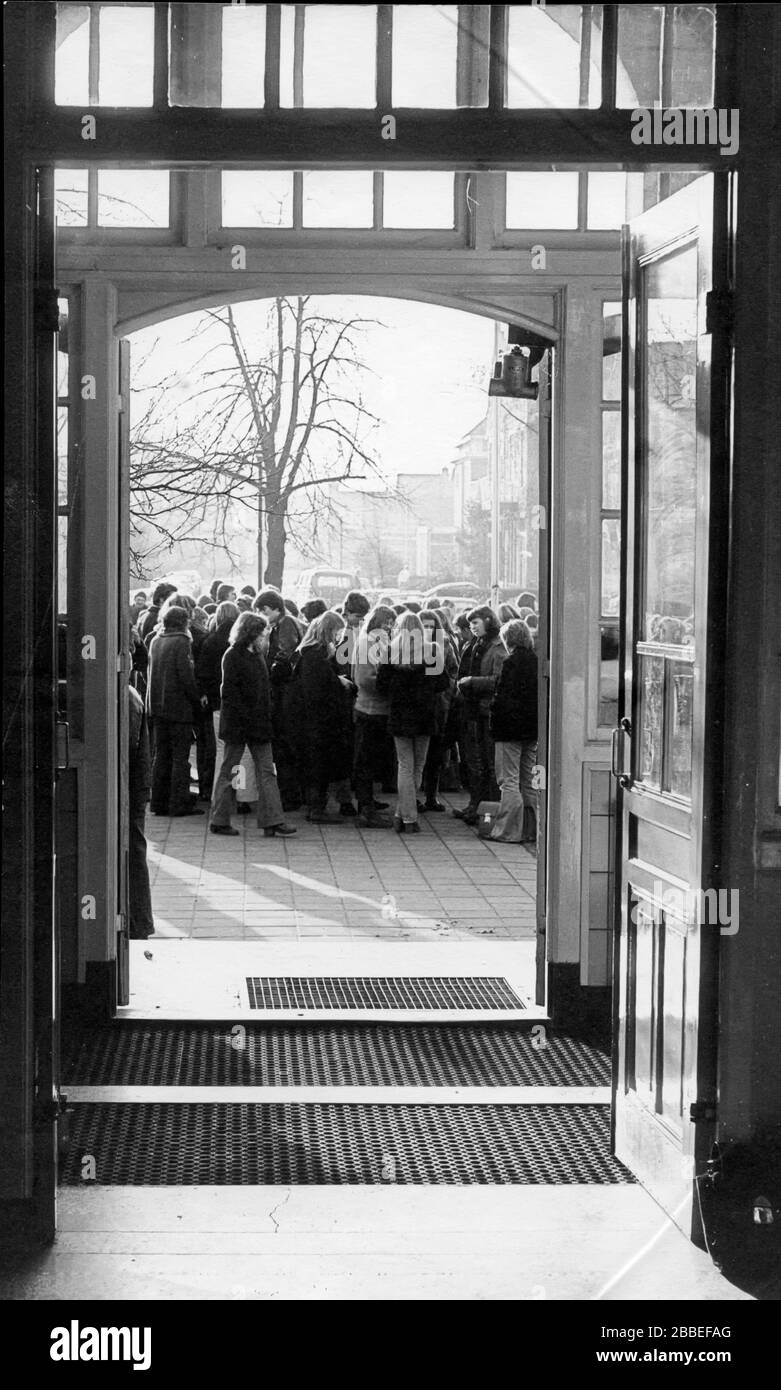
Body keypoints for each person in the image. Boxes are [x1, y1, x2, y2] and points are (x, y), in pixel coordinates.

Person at [209, 612, 296, 838]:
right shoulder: (233, 656)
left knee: (266, 771)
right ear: (251, 633)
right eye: (261, 632)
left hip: (257, 723)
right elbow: (229, 694)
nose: (265, 636)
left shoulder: (256, 655)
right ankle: (219, 819)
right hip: (240, 724)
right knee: (230, 770)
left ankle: (273, 819)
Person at [376, 611, 449, 833]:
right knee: (419, 765)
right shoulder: (432, 650)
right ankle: (408, 817)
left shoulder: (390, 651)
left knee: (404, 765)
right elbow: (442, 683)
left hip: (400, 715)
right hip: (425, 715)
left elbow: (381, 686)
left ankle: (403, 814)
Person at [291, 611, 355, 823]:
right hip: (318, 722)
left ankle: (316, 806)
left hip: (311, 721)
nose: (339, 636)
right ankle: (316, 809)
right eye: (337, 631)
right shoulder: (316, 655)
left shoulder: (309, 653)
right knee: (319, 765)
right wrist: (340, 684)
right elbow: (318, 690)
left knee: (316, 765)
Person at [146, 605, 204, 817]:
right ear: (184, 622)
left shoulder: (156, 640)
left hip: (158, 707)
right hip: (179, 707)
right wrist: (196, 700)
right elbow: (186, 675)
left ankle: (158, 802)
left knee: (161, 755)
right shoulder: (182, 642)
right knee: (180, 756)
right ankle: (178, 803)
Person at [452, 605, 506, 825]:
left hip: (486, 711)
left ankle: (488, 810)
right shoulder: (473, 644)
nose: (472, 627)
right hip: (471, 709)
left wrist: (473, 682)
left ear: (487, 620)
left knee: (488, 762)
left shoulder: (497, 647)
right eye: (470, 623)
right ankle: (475, 805)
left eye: (476, 622)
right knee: (473, 761)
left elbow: (499, 679)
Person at [252, 588, 305, 810]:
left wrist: (270, 671)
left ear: (275, 607)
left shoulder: (286, 624)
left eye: (264, 610)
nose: (262, 614)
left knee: (285, 746)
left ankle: (290, 796)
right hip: (285, 693)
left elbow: (285, 654)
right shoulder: (281, 624)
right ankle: (290, 794)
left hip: (286, 694)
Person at [486, 618, 538, 843]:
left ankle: (508, 831)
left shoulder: (511, 663)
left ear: (508, 640)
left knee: (508, 780)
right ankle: (532, 829)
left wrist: (494, 721)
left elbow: (502, 699)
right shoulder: (536, 661)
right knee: (529, 781)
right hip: (532, 729)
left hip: (509, 730)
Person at [352, 604, 396, 828]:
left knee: (370, 760)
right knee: (366, 761)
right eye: (387, 623)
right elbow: (365, 678)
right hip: (371, 709)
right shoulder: (369, 643)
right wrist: (389, 686)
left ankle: (368, 802)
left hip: (374, 709)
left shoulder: (374, 642)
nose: (390, 628)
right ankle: (365, 809)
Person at [419, 608, 458, 811]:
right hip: (419, 706)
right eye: (423, 626)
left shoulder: (444, 644)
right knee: (417, 755)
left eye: (430, 626)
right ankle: (415, 796)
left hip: (439, 705)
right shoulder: (411, 645)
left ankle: (431, 796)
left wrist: (446, 692)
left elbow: (453, 671)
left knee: (435, 753)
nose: (427, 629)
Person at [127, 681, 155, 939]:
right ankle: (140, 922)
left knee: (134, 851)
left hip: (131, 789)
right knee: (135, 850)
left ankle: (139, 922)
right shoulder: (130, 697)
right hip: (136, 787)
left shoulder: (126, 699)